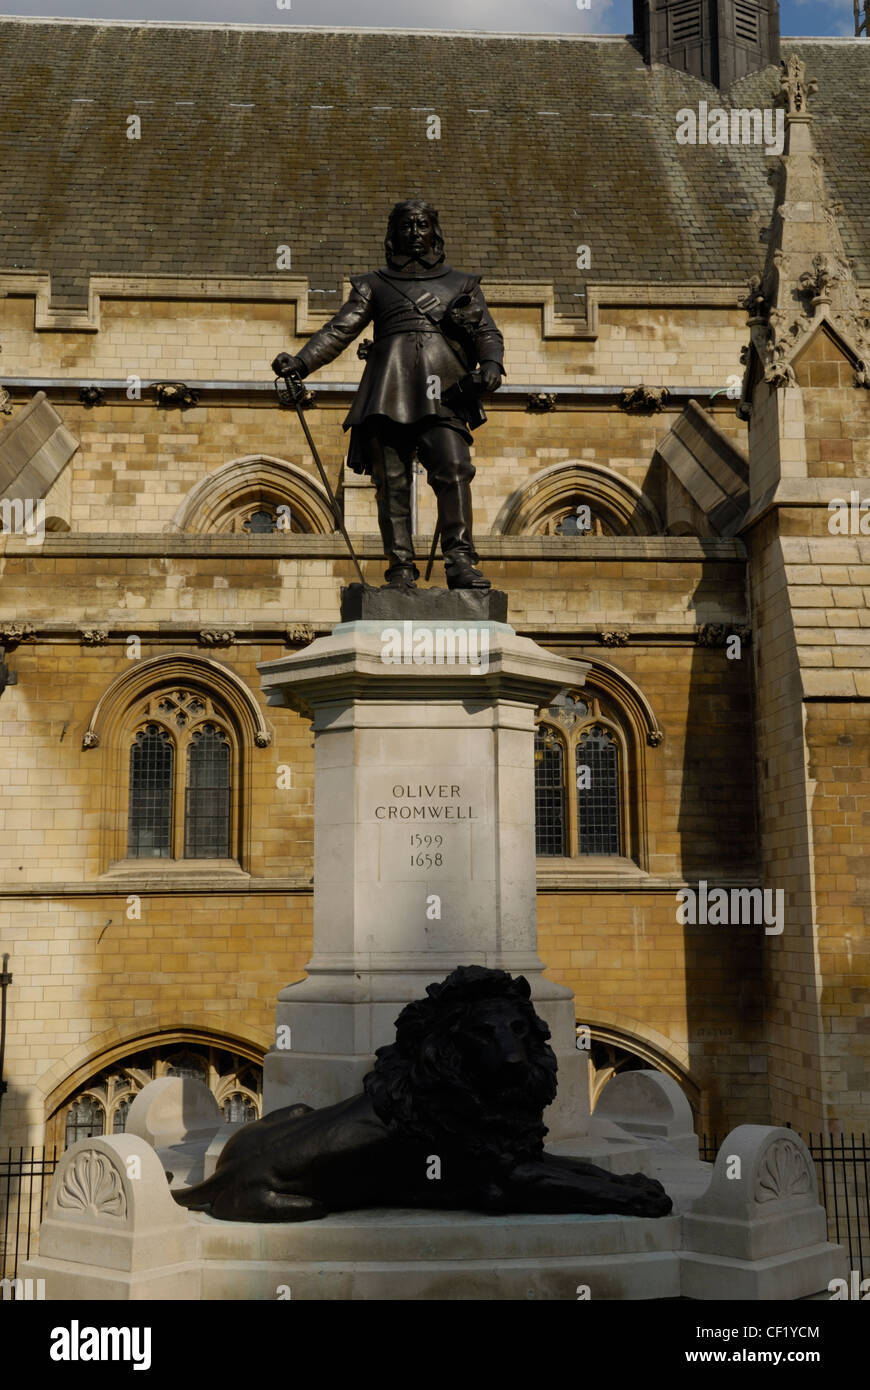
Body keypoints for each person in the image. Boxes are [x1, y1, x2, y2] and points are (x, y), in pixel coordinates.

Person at [271, 199, 504, 590]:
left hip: (444, 390)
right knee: (392, 481)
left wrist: (492, 365)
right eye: (406, 226)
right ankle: (399, 569)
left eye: (422, 225)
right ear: (393, 234)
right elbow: (339, 330)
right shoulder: (374, 283)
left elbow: (486, 332)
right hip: (389, 390)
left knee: (453, 469)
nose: (415, 233)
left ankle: (460, 561)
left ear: (435, 231)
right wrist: (301, 362)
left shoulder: (461, 283)